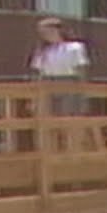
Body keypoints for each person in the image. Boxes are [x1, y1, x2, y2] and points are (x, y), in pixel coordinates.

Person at [29, 18, 94, 150]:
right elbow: (38, 73)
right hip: (47, 84)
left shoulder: (75, 47)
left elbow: (81, 69)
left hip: (69, 82)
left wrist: (82, 90)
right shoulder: (42, 51)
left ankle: (73, 150)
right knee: (47, 120)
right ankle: (48, 151)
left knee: (69, 119)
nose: (45, 35)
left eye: (47, 31)